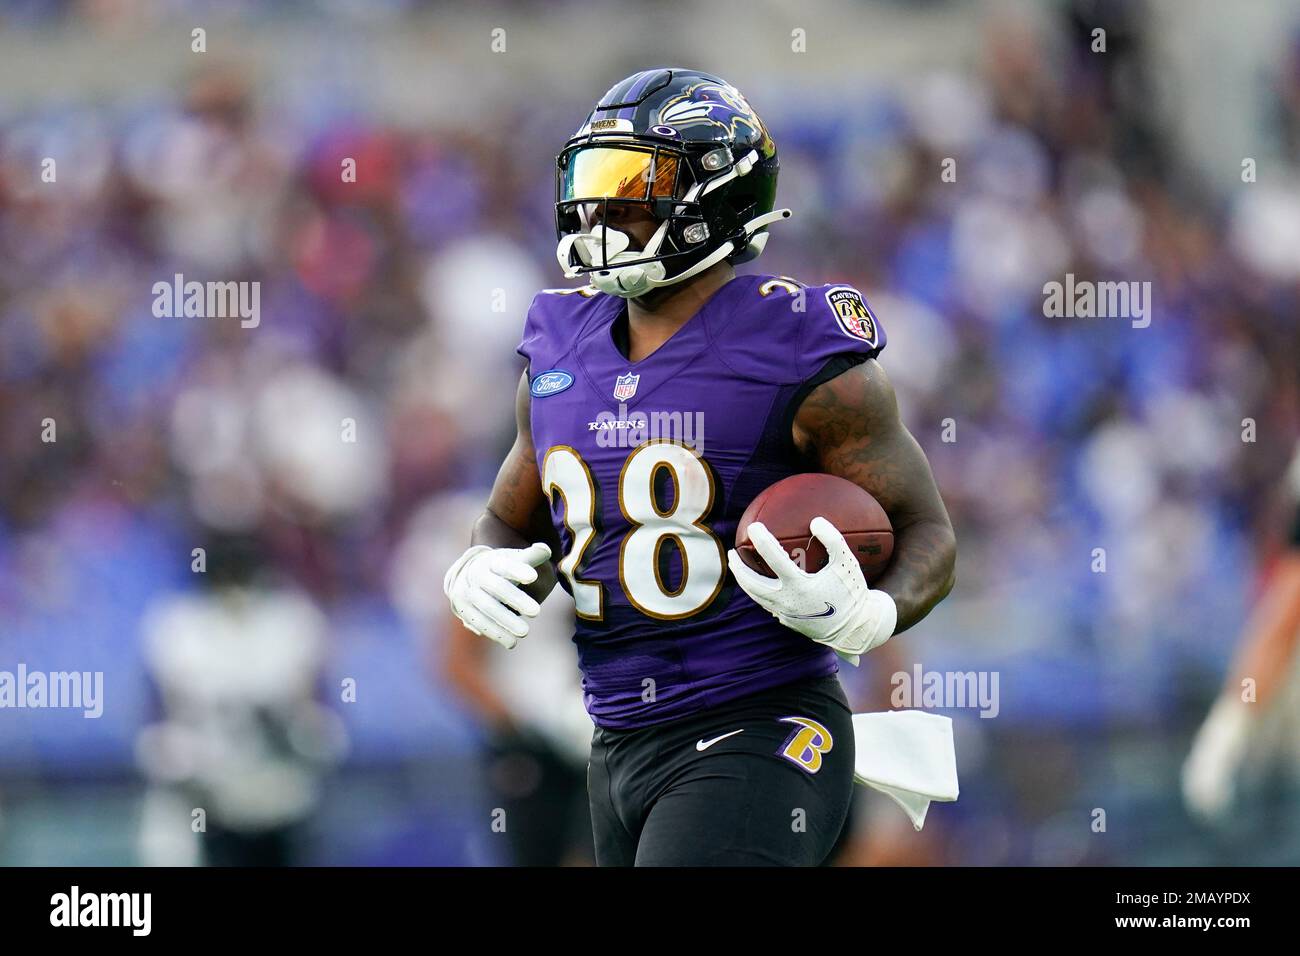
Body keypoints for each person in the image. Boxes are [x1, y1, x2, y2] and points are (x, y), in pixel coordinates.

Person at [444, 68, 956, 866]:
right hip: (615, 743)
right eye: (595, 179)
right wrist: (484, 565)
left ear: (718, 194)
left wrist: (876, 616)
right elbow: (515, 521)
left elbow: (928, 530)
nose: (601, 209)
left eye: (632, 183)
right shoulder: (558, 347)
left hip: (761, 723)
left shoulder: (795, 343)